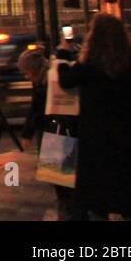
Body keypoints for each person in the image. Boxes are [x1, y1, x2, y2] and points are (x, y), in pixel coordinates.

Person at [58, 14, 131, 220]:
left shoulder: (91, 65)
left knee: (98, 205)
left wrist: (63, 54)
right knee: (130, 204)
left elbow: (66, 80)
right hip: (128, 139)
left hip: (97, 141)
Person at [20, 45, 84, 220]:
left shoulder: (52, 79)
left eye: (28, 72)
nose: (27, 77)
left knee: (63, 185)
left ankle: (69, 215)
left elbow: (37, 109)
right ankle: (67, 213)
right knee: (60, 184)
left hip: (60, 133)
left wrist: (29, 132)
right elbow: (35, 108)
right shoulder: (42, 81)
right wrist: (27, 133)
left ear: (36, 69)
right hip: (54, 132)